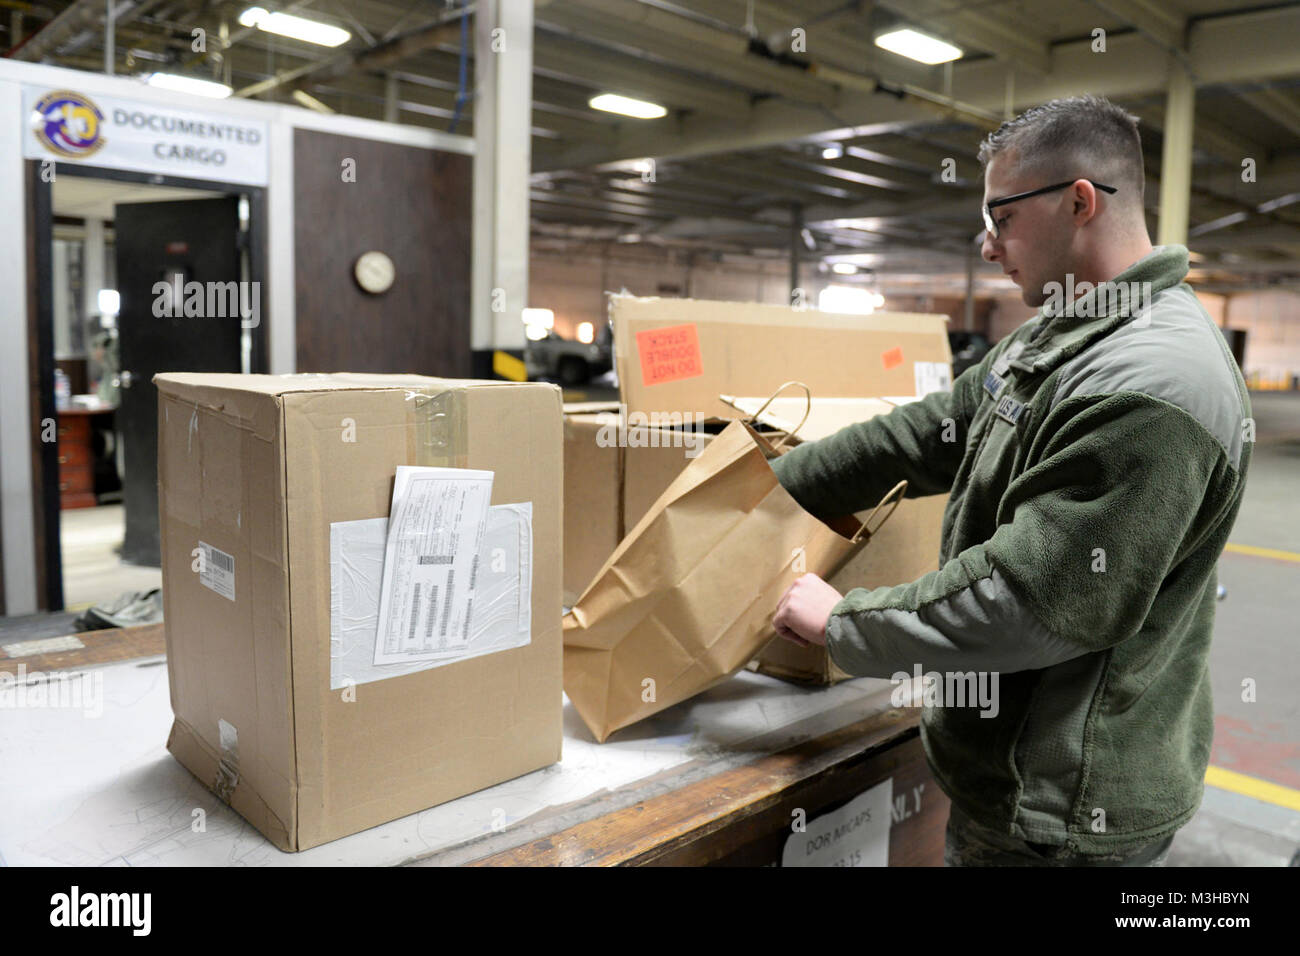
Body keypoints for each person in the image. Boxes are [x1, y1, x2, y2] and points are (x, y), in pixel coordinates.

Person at [770, 95, 1252, 866]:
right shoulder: (1064, 332)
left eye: (1001, 217)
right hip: (1009, 772)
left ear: (1080, 202)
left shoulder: (1153, 385)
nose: (986, 246)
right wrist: (769, 485)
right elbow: (926, 434)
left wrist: (844, 625)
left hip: (1059, 809)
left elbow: (1029, 602)